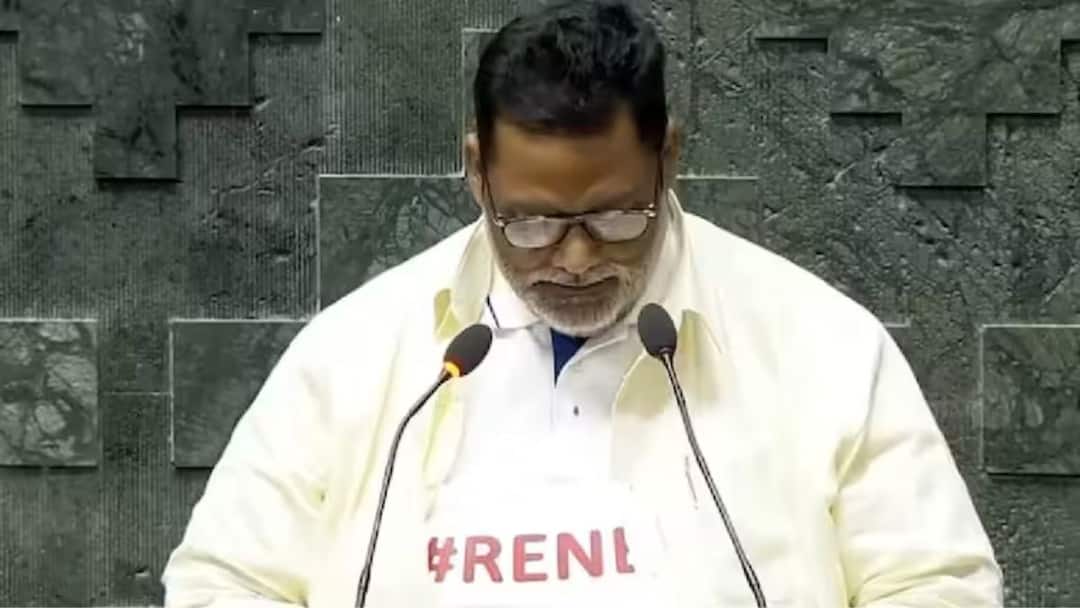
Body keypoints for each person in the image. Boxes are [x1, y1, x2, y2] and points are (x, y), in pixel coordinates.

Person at [162, 1, 1004, 606]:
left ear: (668, 157)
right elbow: (224, 580)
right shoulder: (354, 355)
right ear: (476, 171)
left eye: (612, 215)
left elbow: (937, 584)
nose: (571, 259)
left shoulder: (821, 345)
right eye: (525, 220)